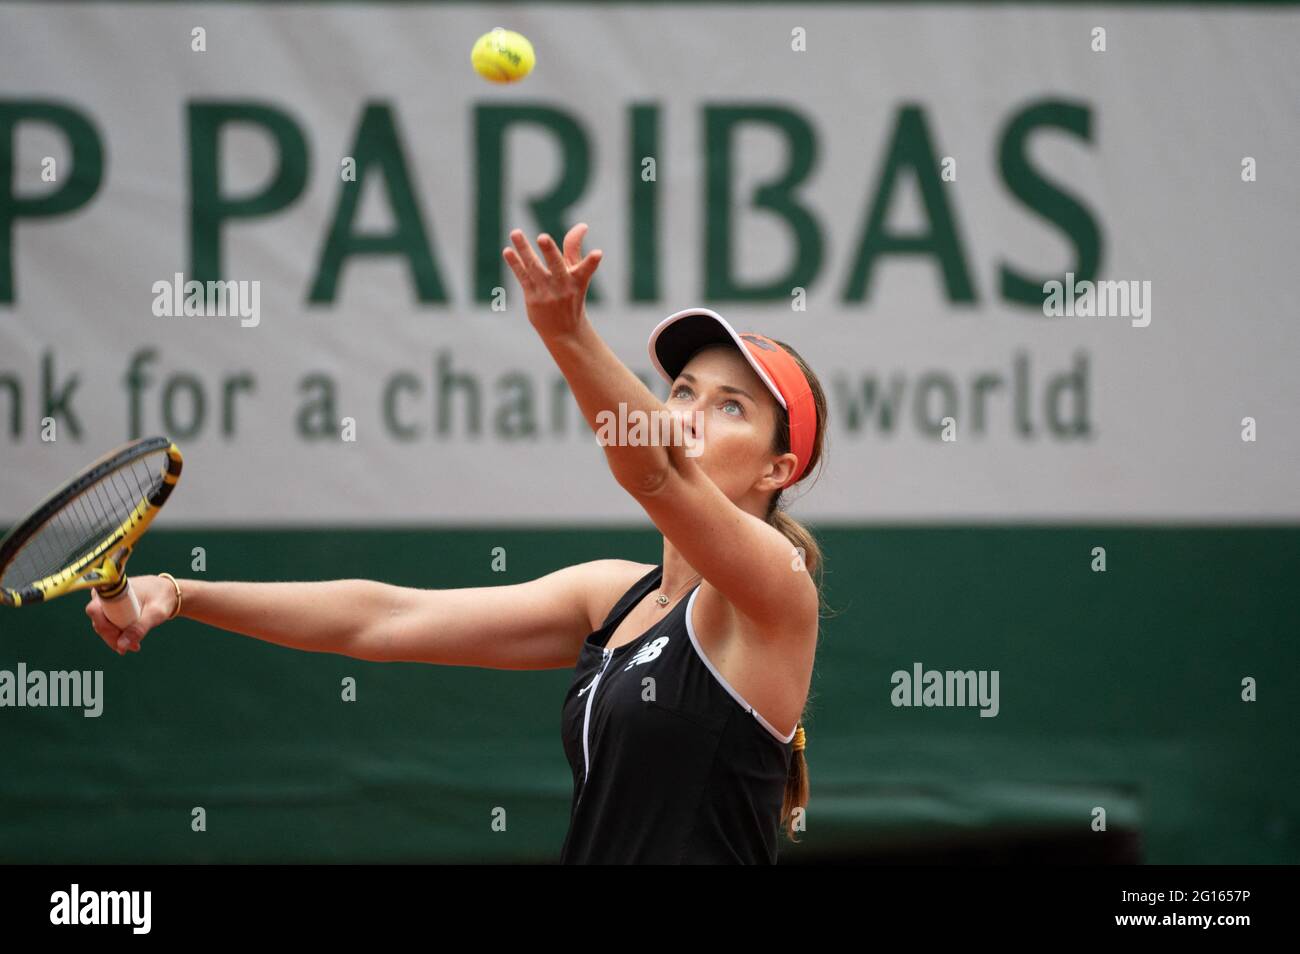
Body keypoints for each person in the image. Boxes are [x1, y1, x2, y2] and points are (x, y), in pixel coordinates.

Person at [85, 223, 829, 864]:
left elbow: (659, 474)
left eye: (731, 407)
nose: (692, 414)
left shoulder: (777, 591)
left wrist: (567, 333)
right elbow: (380, 620)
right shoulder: (613, 595)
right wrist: (180, 595)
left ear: (778, 468)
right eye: (684, 391)